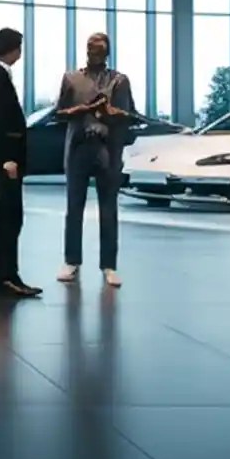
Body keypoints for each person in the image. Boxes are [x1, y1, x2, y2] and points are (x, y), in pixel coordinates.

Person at [54, 33, 136, 288]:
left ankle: (109, 265)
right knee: (74, 207)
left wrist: (112, 113)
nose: (94, 53)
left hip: (107, 148)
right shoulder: (71, 78)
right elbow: (58, 113)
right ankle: (71, 260)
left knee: (108, 209)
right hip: (79, 147)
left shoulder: (119, 81)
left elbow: (130, 114)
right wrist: (81, 111)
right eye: (90, 48)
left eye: (99, 49)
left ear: (107, 52)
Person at [0, 28, 42, 298]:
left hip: (1, 161)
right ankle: (6, 275)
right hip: (5, 162)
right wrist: (7, 158)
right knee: (8, 217)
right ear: (15, 49)